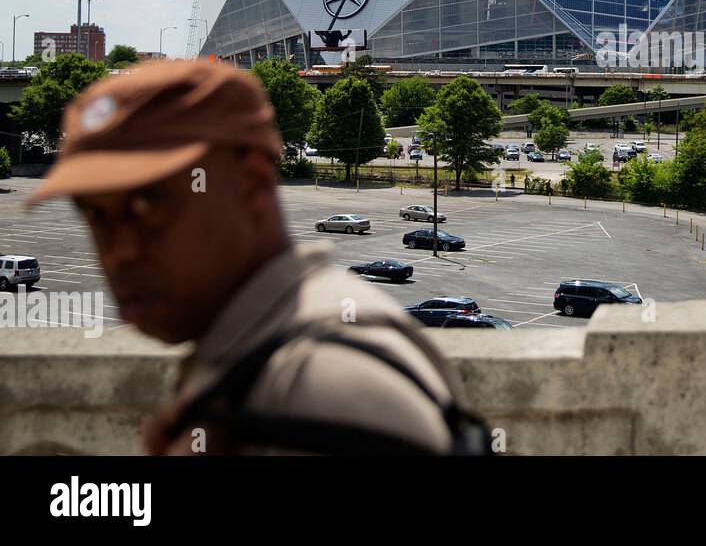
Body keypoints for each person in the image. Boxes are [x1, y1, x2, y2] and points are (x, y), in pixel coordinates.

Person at [27, 61, 483, 456]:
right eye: (95, 216)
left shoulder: (316, 390)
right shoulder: (266, 349)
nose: (118, 251)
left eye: (147, 206)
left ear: (250, 182)